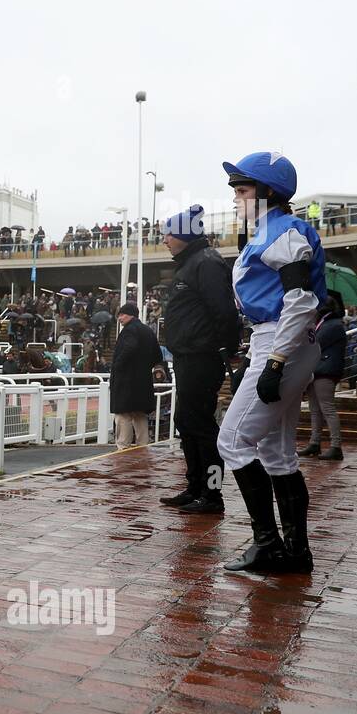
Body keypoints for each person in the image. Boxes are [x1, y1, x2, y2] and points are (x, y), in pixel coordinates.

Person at [218, 151, 327, 574]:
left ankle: (268, 544)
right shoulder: (272, 231)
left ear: (267, 192)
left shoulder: (282, 231)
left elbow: (300, 302)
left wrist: (276, 361)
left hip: (283, 340)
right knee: (277, 452)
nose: (235, 199)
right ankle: (295, 552)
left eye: (241, 191)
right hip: (281, 339)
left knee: (231, 441)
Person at [157, 205, 242, 514]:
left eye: (168, 233)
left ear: (183, 234)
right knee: (186, 421)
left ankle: (212, 494)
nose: (164, 239)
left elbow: (224, 310)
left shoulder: (205, 263)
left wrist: (226, 348)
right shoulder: (191, 263)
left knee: (202, 425)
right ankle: (195, 487)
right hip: (188, 355)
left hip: (202, 357)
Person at [298, 291, 346, 461]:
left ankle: (336, 446)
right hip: (316, 370)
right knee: (315, 410)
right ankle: (314, 443)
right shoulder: (324, 323)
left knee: (327, 409)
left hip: (325, 371)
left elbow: (315, 342)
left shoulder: (333, 325)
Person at [109, 303, 161, 450]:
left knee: (123, 415)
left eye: (122, 314)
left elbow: (129, 348)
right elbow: (157, 355)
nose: (119, 318)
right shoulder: (148, 331)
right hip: (143, 381)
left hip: (125, 382)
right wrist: (143, 367)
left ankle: (123, 449)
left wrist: (117, 366)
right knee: (140, 415)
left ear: (131, 314)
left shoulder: (129, 331)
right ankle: (142, 448)